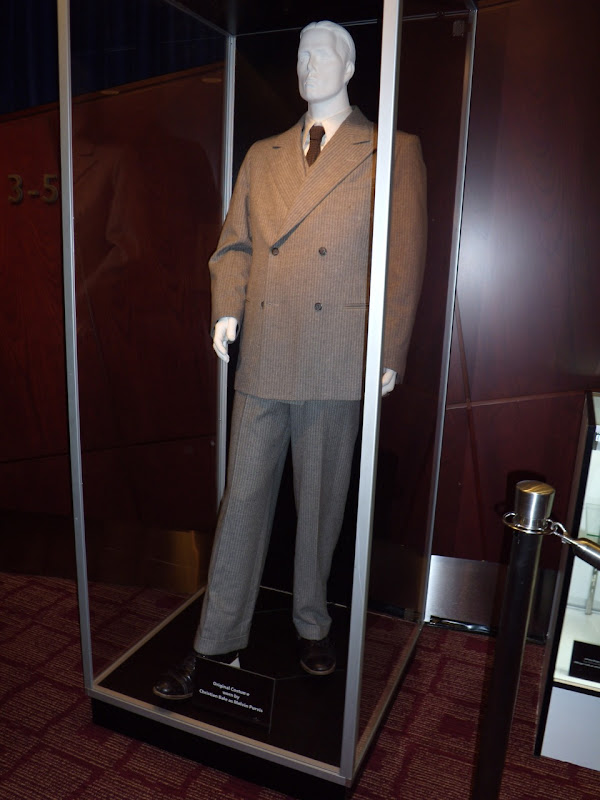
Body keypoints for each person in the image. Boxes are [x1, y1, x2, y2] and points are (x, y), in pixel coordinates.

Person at [153, 20, 427, 701]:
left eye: (322, 53)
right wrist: (228, 310)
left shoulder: (390, 149)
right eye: (300, 54)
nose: (307, 65)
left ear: (351, 64)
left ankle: (313, 622)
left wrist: (389, 349)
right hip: (267, 352)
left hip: (338, 356)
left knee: (321, 502)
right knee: (241, 499)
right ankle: (216, 637)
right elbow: (235, 245)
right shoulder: (263, 153)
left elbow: (403, 262)